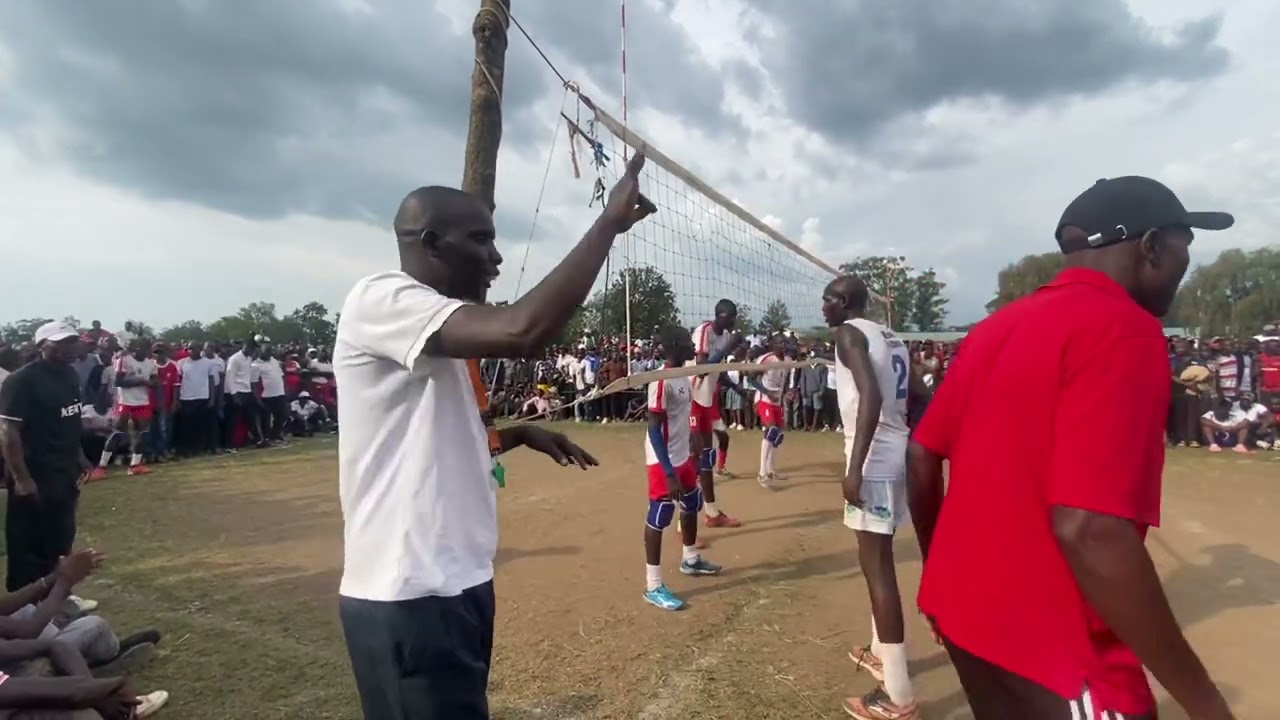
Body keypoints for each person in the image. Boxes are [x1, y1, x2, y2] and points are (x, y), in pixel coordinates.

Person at [335, 152, 654, 719]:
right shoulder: (381, 299)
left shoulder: (440, 327)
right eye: (481, 240)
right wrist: (607, 223)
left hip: (456, 583)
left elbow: (437, 438)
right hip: (409, 591)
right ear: (431, 244)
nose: (497, 257)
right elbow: (522, 329)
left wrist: (520, 434)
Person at [907, 176, 1235, 719]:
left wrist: (937, 578)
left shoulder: (994, 328)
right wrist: (1208, 706)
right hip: (1057, 650)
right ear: (1151, 246)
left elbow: (921, 457)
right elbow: (1089, 528)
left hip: (962, 614)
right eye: (1184, 249)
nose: (1185, 266)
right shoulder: (1125, 330)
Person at [823, 275, 922, 720]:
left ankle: (899, 697)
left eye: (827, 300)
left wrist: (855, 468)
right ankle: (883, 653)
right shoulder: (891, 336)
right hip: (895, 456)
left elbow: (872, 397)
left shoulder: (848, 333)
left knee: (878, 569)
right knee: (874, 564)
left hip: (876, 463)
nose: (822, 307)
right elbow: (919, 394)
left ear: (843, 302)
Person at [0, 323, 95, 604]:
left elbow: (69, 420)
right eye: (60, 344)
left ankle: (60, 595)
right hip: (35, 471)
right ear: (42, 345)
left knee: (61, 534)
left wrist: (79, 455)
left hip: (64, 470)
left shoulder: (69, 375)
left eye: (71, 343)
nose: (68, 349)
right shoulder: (22, 380)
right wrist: (21, 478)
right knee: (29, 542)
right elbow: (8, 432)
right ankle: (26, 602)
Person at [642, 327, 722, 612]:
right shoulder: (660, 382)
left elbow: (683, 416)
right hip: (662, 460)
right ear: (675, 345)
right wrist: (667, 472)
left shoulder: (683, 377)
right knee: (660, 516)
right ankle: (653, 586)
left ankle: (690, 559)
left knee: (691, 504)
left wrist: (694, 441)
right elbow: (653, 429)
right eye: (688, 342)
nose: (693, 345)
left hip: (682, 454)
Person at [688, 300, 747, 531]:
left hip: (707, 399)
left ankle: (712, 513)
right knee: (694, 460)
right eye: (731, 316)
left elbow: (717, 372)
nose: (734, 321)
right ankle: (686, 523)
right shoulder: (705, 331)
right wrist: (727, 348)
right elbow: (702, 368)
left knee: (705, 461)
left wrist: (737, 388)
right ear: (721, 315)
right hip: (692, 397)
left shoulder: (725, 337)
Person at [110, 339, 156, 477]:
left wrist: (150, 382)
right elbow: (118, 382)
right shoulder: (124, 360)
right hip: (126, 402)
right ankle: (103, 464)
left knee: (141, 433)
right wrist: (140, 380)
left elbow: (155, 382)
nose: (147, 351)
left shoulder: (150, 364)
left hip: (142, 402)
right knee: (120, 432)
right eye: (144, 348)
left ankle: (135, 465)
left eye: (148, 348)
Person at [753, 339, 787, 487]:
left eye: (783, 344)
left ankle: (770, 469)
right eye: (778, 344)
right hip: (764, 399)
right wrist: (766, 392)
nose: (781, 346)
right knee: (771, 431)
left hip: (777, 401)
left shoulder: (787, 360)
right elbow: (751, 378)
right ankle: (761, 473)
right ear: (772, 346)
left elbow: (783, 382)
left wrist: (786, 394)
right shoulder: (766, 359)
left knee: (778, 436)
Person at [176, 342, 219, 456]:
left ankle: (202, 448)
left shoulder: (208, 363)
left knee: (203, 426)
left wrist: (212, 398)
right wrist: (177, 400)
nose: (190, 351)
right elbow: (178, 382)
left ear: (199, 349)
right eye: (188, 349)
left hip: (203, 397)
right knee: (187, 426)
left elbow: (211, 381)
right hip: (186, 398)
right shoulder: (181, 363)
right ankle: (188, 449)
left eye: (192, 348)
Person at [149, 343, 180, 463]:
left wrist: (175, 402)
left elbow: (176, 386)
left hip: (166, 404)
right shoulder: (150, 365)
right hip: (151, 403)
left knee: (165, 429)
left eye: (161, 352)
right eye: (156, 352)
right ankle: (155, 453)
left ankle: (165, 451)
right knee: (153, 429)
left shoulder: (172, 366)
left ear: (165, 352)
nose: (158, 355)